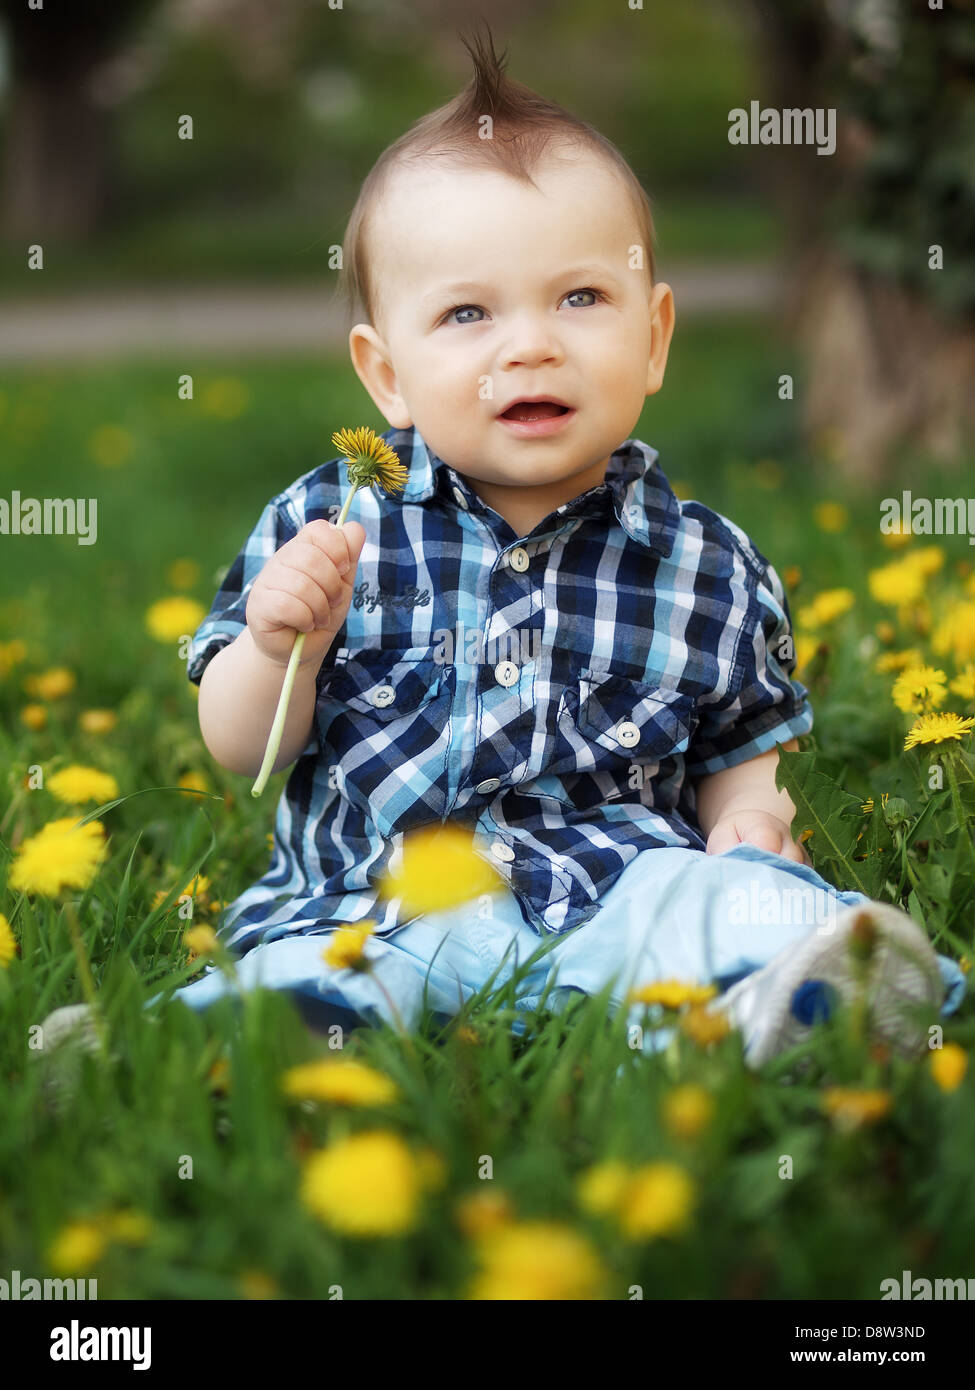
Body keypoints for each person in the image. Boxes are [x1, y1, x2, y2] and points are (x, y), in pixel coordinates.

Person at [40, 25, 965, 1069]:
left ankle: (788, 996)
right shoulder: (331, 527)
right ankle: (204, 1046)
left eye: (581, 298)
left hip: (620, 894)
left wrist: (748, 827)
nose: (530, 343)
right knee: (316, 976)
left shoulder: (706, 562)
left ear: (654, 337)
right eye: (468, 312)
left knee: (735, 901)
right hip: (381, 909)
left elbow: (738, 749)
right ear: (386, 374)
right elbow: (245, 749)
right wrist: (271, 648)